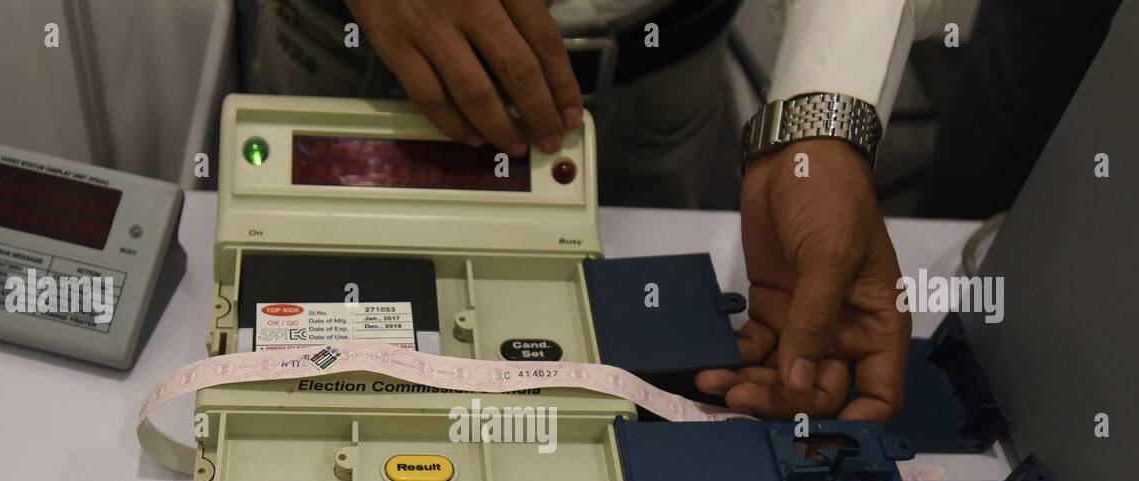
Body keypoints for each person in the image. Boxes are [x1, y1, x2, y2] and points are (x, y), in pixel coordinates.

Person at [242, 0, 945, 422]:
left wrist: (822, 119)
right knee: (309, 400)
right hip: (357, 69)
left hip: (662, 81)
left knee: (653, 400)